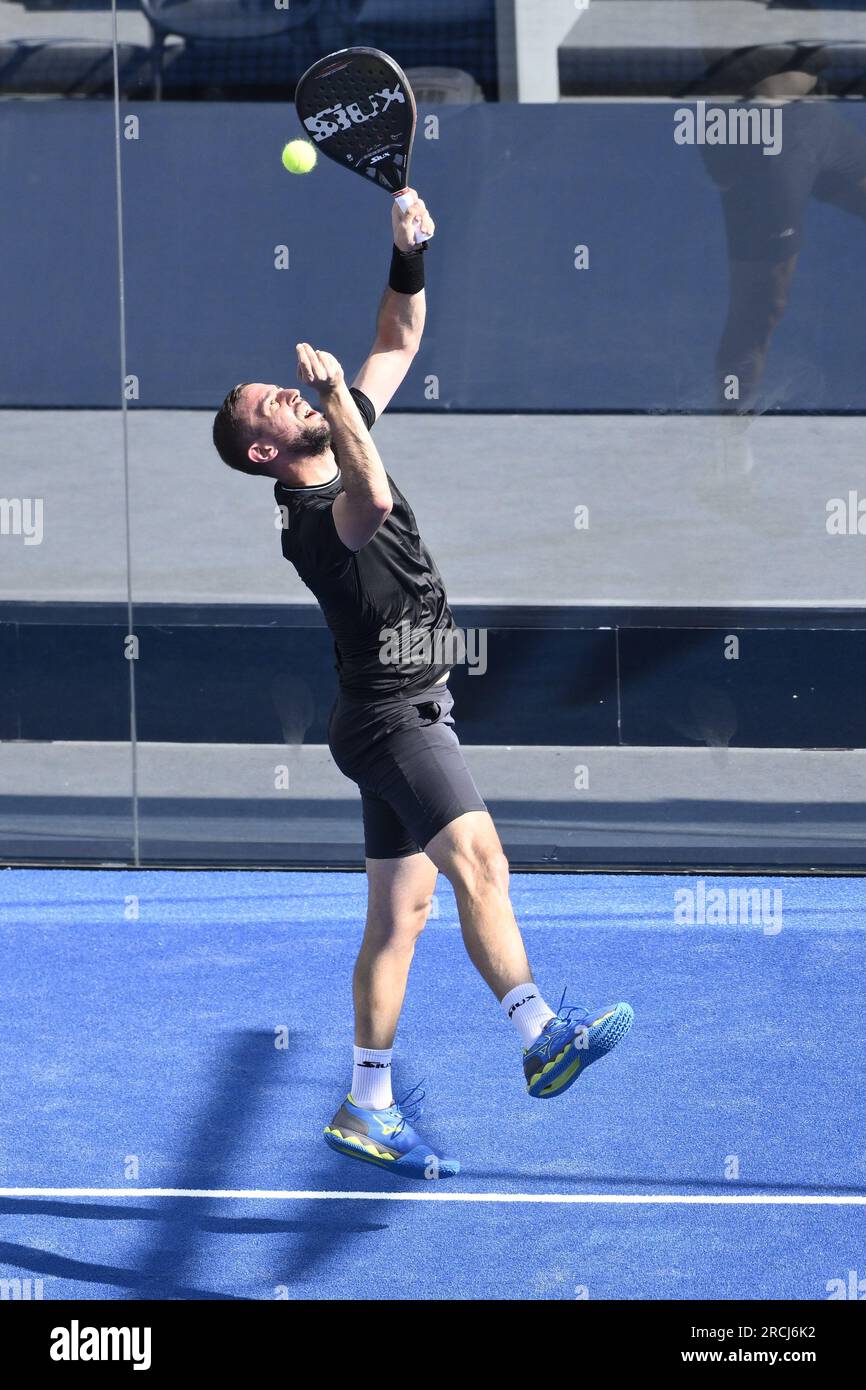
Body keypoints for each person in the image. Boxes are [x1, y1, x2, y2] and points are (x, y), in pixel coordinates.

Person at [212, 190, 633, 1180]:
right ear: (266, 453)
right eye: (275, 404)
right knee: (480, 861)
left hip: (382, 714)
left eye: (288, 391)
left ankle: (367, 1105)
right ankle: (538, 1032)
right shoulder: (315, 521)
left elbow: (397, 340)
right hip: (395, 720)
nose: (291, 396)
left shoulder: (334, 433)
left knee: (397, 918)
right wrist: (336, 402)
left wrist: (408, 253)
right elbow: (370, 493)